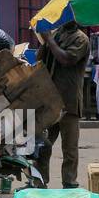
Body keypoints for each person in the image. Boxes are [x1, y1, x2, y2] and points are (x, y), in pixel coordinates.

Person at [34, 20, 90, 187]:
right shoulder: (57, 34)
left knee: (70, 148)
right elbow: (40, 58)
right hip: (50, 100)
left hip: (69, 101)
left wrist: (49, 40)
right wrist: (45, 41)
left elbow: (66, 59)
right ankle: (40, 181)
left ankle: (69, 183)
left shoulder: (81, 39)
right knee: (42, 144)